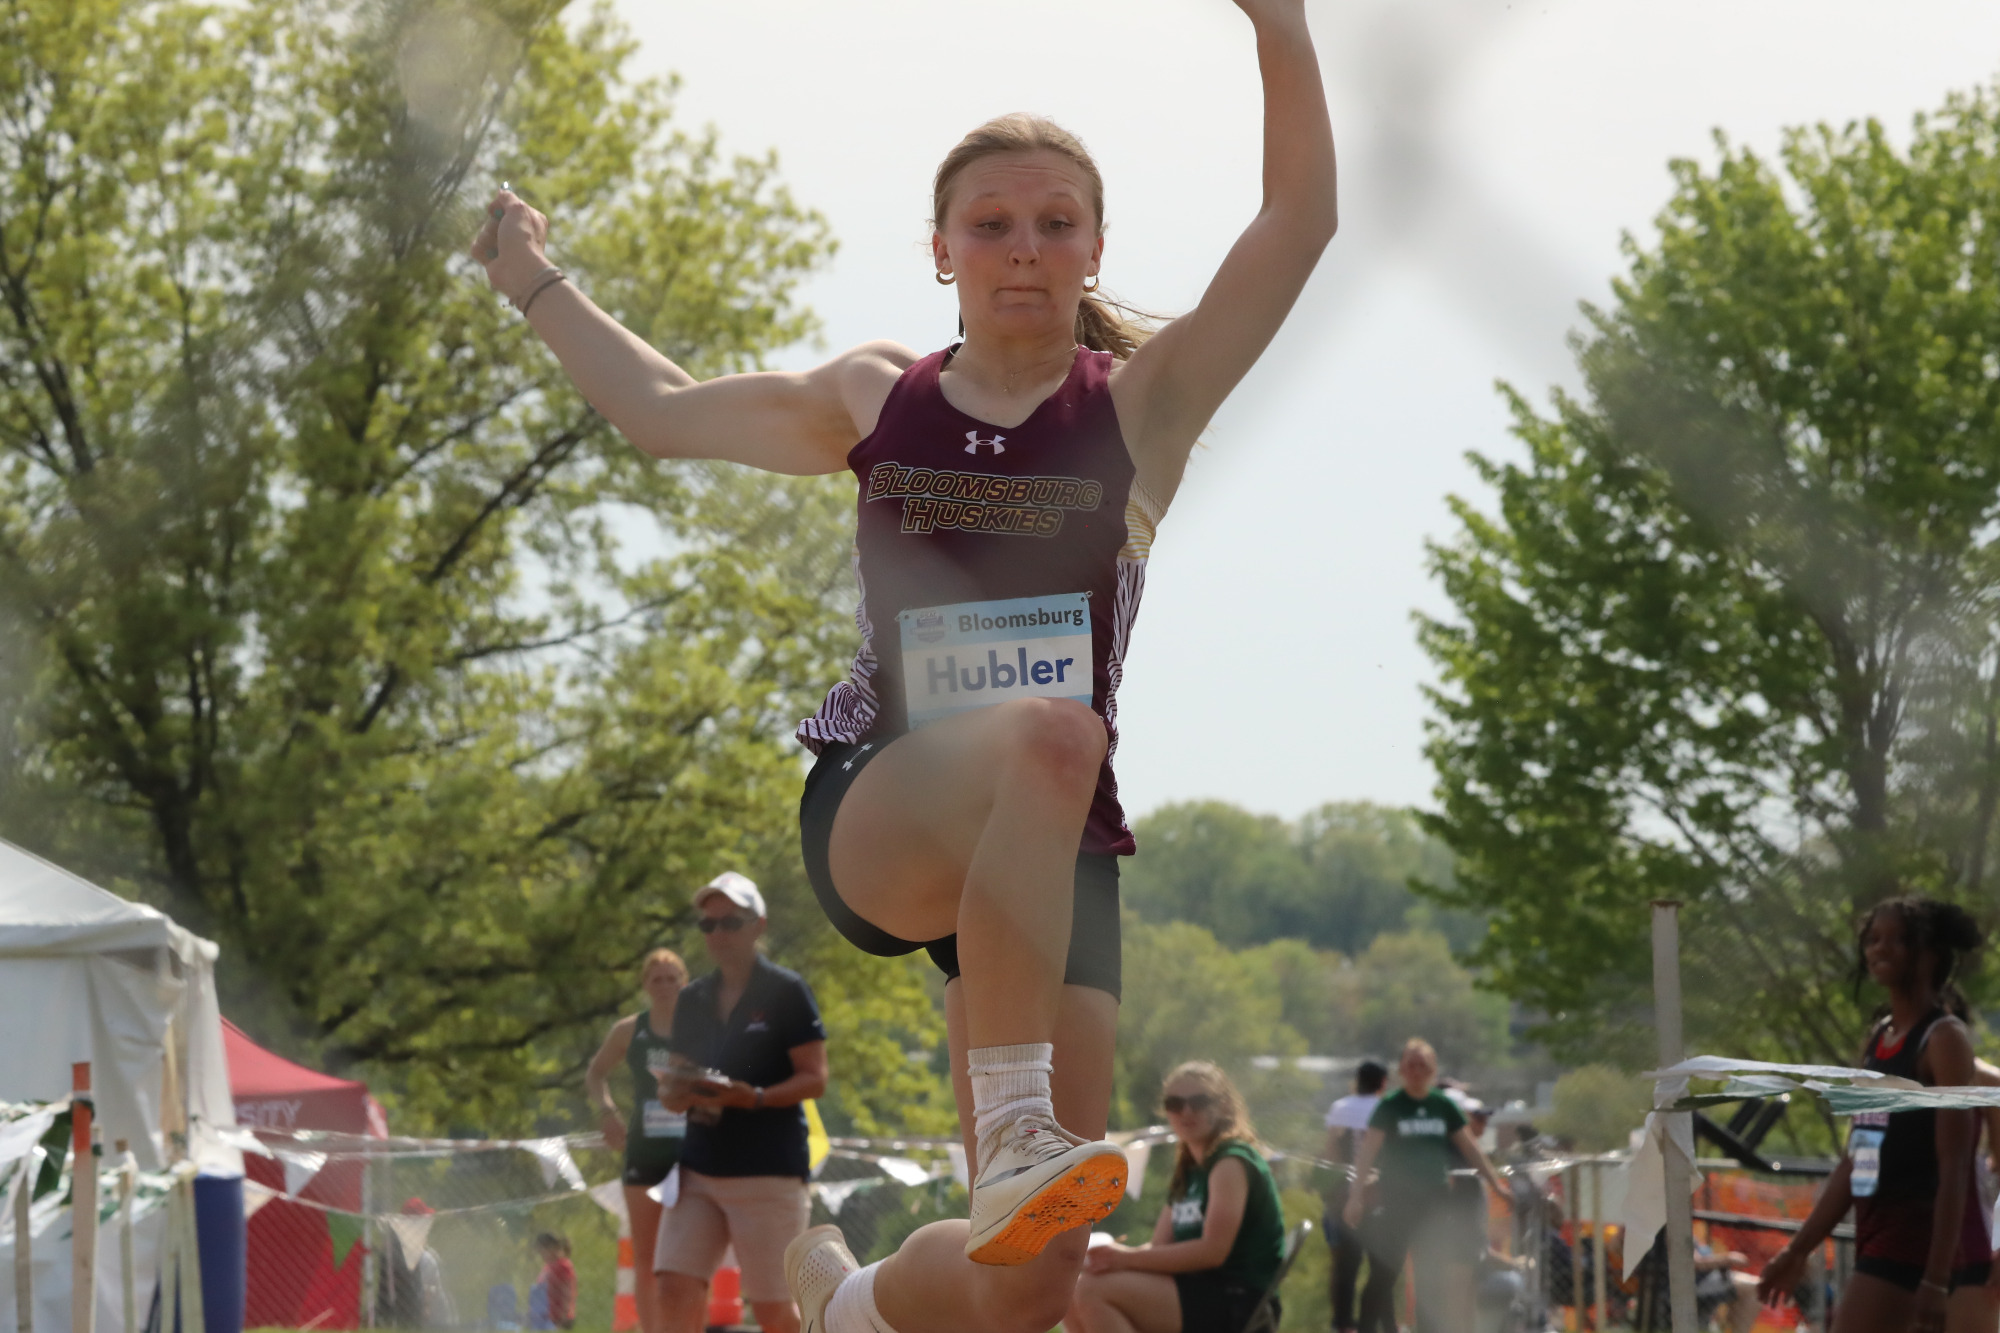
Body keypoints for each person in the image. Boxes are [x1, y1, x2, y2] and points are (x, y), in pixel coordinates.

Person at [470, 0, 1335, 1328]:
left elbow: (1298, 228)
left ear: (1096, 244)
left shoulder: (1140, 409)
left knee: (1033, 1284)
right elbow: (658, 413)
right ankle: (1014, 1118)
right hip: (889, 803)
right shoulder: (884, 399)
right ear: (942, 251)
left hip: (1056, 854)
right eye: (991, 224)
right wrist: (533, 279)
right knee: (1055, 731)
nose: (1026, 250)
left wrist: (1277, 20)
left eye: (1057, 223)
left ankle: (852, 1297)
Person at [1757, 895, 1989, 1333]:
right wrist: (1797, 1250)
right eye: (1873, 939)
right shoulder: (1879, 1038)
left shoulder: (1943, 1039)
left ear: (1931, 953)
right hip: (1873, 1229)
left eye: (1898, 940)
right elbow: (1857, 1158)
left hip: (1913, 1239)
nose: (1879, 949)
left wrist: (1937, 1280)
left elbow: (1955, 1165)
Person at [652, 873, 829, 1333]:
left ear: (759, 926)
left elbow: (815, 1079)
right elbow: (676, 1078)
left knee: (774, 1311)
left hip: (768, 1174)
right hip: (699, 1170)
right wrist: (673, 1091)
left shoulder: (786, 990)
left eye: (730, 923)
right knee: (672, 1289)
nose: (718, 935)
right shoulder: (692, 998)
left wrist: (753, 1097)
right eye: (708, 926)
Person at [1064, 1062, 1287, 1333]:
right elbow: (1158, 1245)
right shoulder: (1190, 1169)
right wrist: (1108, 1257)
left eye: (1200, 1101)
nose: (1187, 1111)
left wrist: (1125, 1259)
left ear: (1225, 1106)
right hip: (1198, 1292)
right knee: (1072, 1289)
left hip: (1238, 1299)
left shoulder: (1231, 1162)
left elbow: (1212, 1252)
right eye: (1175, 1103)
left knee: (1091, 1292)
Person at [1343, 1039, 1509, 1333]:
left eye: (1423, 1066)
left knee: (1429, 1280)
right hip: (1397, 1201)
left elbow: (1470, 1148)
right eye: (1411, 1065)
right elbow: (1367, 1153)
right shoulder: (1391, 1106)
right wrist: (1355, 1197)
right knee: (1385, 1273)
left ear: (1432, 1070)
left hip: (1434, 1202)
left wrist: (1496, 1184)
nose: (1416, 1071)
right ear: (1402, 1070)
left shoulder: (1441, 1105)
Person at [585, 948, 690, 1333]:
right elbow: (596, 1074)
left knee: (688, 1257)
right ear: (645, 985)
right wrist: (606, 1112)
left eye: (671, 978)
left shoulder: (702, 1026)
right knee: (646, 1256)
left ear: (684, 981)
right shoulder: (630, 1030)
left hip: (693, 1155)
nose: (664, 986)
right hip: (645, 1152)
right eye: (656, 979)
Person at [1323, 1060, 1388, 1333]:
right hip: (1377, 1197)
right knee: (1381, 1267)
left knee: (1346, 1265)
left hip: (1343, 1197)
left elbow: (1331, 1153)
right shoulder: (1384, 1109)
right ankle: (1377, 1324)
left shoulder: (1340, 1108)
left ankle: (1343, 1323)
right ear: (1383, 1083)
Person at [532, 1232, 577, 1331]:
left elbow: (567, 1291)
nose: (541, 1255)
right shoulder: (548, 1266)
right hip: (546, 1317)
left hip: (559, 1319)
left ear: (552, 1248)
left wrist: (564, 1315)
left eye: (542, 1251)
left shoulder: (562, 1266)